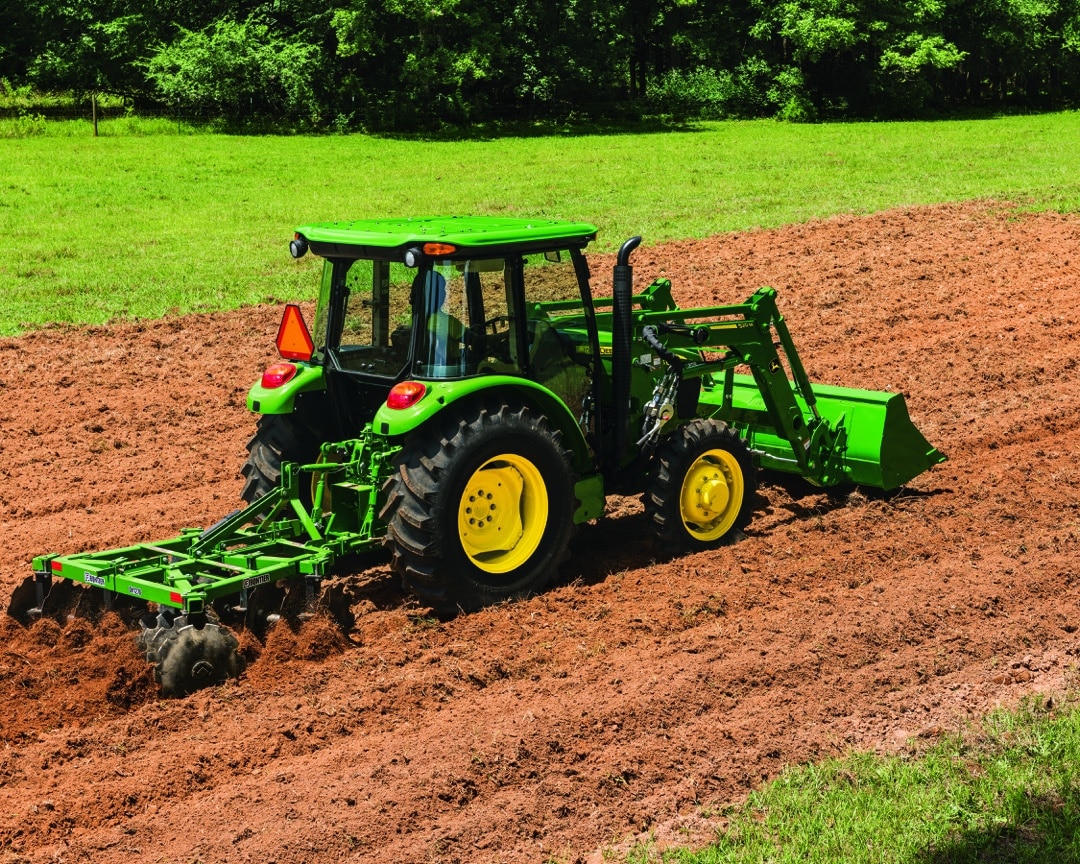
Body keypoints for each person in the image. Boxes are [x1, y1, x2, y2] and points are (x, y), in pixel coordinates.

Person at [416, 270, 465, 367]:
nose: (445, 293)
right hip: (449, 368)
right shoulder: (447, 322)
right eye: (442, 289)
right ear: (437, 295)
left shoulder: (414, 320)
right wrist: (501, 336)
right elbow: (477, 341)